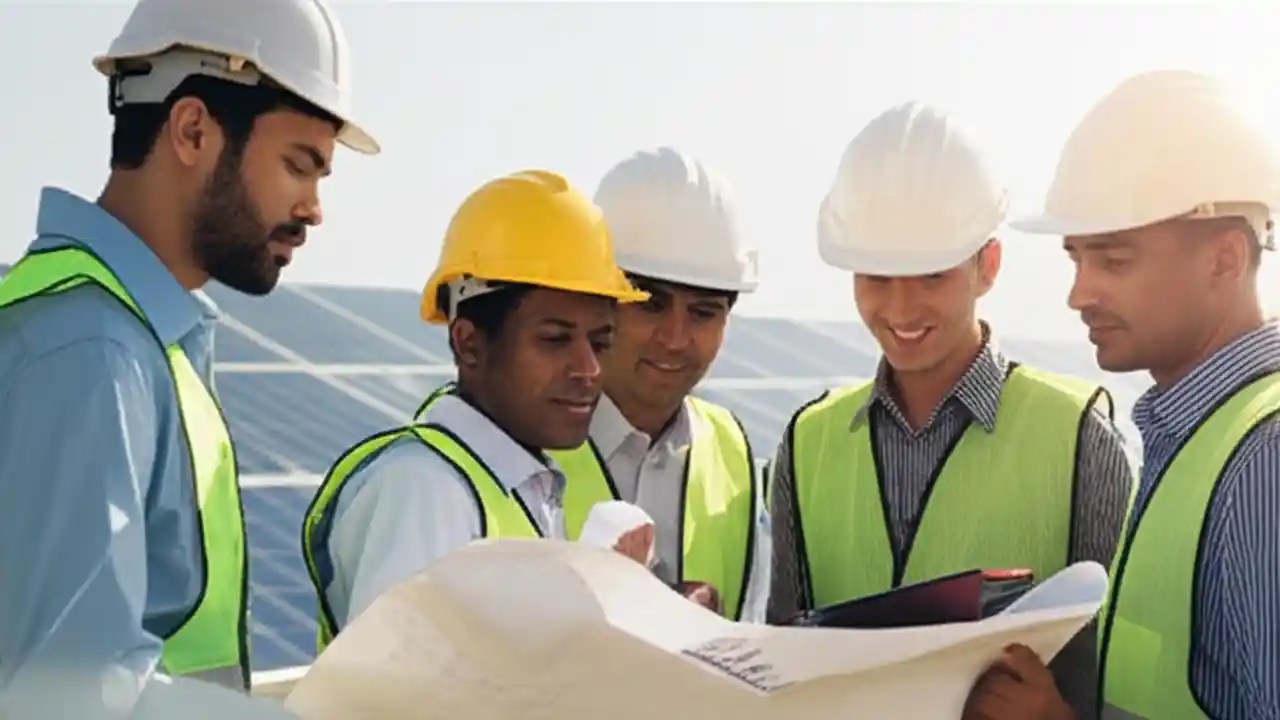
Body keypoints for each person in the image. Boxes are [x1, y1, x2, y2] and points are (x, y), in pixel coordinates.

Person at [0, 0, 375, 715]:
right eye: (301, 165)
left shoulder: (138, 339)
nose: (315, 208)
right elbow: (68, 699)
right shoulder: (88, 353)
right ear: (193, 129)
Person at [766, 101, 1134, 714]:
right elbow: (779, 666)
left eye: (931, 275)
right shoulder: (807, 442)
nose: (902, 310)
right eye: (877, 277)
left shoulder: (1079, 437)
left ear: (985, 266)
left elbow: (1118, 675)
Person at [964, 70, 1280, 720]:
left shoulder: (1264, 460)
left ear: (1223, 260)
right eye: (1075, 259)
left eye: (1113, 261)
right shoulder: (1195, 437)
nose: (1078, 294)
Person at [301, 170, 650, 648]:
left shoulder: (519, 484)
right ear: (468, 343)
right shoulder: (426, 491)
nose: (588, 368)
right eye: (555, 340)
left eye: (600, 341)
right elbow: (396, 698)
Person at [562, 146, 769, 622]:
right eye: (650, 304)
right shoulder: (519, 442)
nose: (676, 338)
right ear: (598, 301)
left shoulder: (732, 449)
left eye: (703, 312)